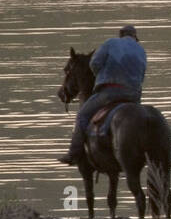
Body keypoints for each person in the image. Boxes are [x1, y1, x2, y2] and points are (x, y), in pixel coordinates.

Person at [57, 25, 147, 164]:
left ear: (121, 35)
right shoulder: (141, 50)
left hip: (110, 92)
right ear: (135, 37)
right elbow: (142, 75)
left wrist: (101, 76)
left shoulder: (111, 43)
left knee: (82, 115)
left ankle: (74, 153)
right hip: (134, 95)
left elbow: (94, 63)